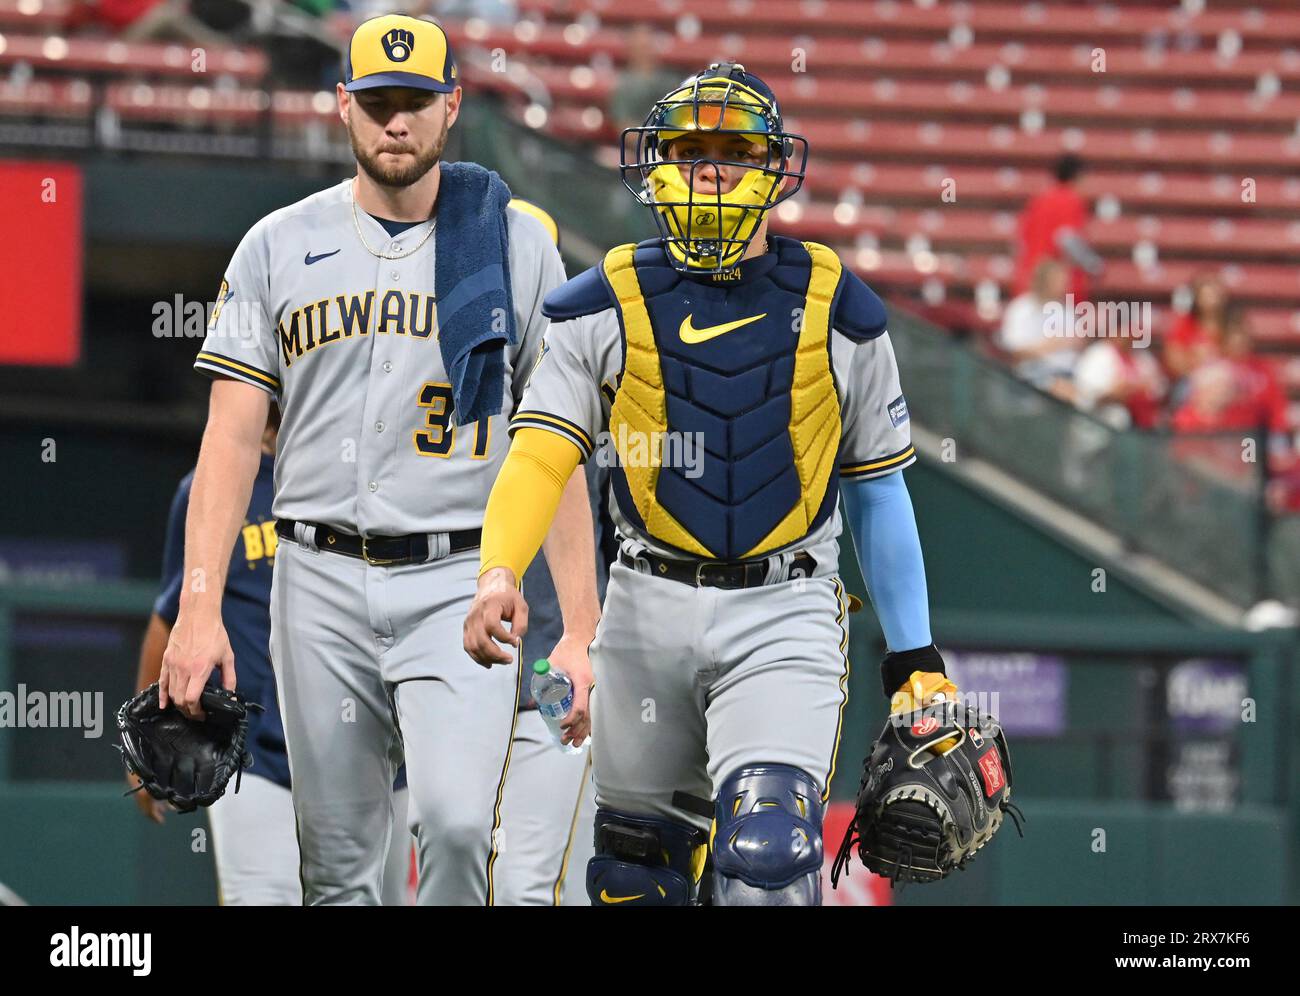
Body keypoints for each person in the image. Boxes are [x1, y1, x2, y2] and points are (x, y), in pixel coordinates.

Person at [464, 63, 955, 905]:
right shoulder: (603, 301)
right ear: (661, 163)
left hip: (785, 606)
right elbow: (542, 456)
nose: (713, 168)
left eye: (737, 149)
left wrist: (914, 656)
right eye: (695, 149)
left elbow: (878, 489)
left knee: (768, 857)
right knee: (632, 873)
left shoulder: (840, 306)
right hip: (643, 606)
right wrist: (498, 570)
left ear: (774, 167)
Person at [161, 13, 598, 906]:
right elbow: (231, 438)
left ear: (451, 109)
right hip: (314, 576)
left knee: (457, 825)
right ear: (344, 109)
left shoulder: (516, 245)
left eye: (415, 103)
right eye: (377, 102)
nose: (395, 122)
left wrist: (582, 629)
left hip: (461, 579)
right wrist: (198, 612)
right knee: (338, 869)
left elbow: (555, 448)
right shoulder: (274, 245)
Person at [130, 411, 413, 905]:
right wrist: (147, 730)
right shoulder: (212, 486)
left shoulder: (371, 476)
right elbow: (168, 619)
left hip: (375, 749)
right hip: (255, 755)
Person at [1013, 153, 1101, 303]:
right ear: (1078, 177)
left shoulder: (1038, 200)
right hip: (1056, 289)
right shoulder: (1071, 200)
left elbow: (1020, 242)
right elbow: (1068, 240)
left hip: (1029, 282)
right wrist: (1093, 265)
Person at [997, 258, 1083, 399]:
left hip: (1068, 374)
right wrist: (1050, 346)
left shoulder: (1067, 311)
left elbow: (1076, 348)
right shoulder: (1021, 309)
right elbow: (1013, 352)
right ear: (1044, 281)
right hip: (1030, 377)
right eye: (1058, 280)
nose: (1064, 285)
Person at [1164, 273, 1228, 384]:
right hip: (1192, 383)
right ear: (1197, 297)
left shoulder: (1231, 325)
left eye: (1213, 294)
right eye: (1206, 295)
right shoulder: (1184, 325)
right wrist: (1196, 360)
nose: (1210, 300)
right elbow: (1174, 362)